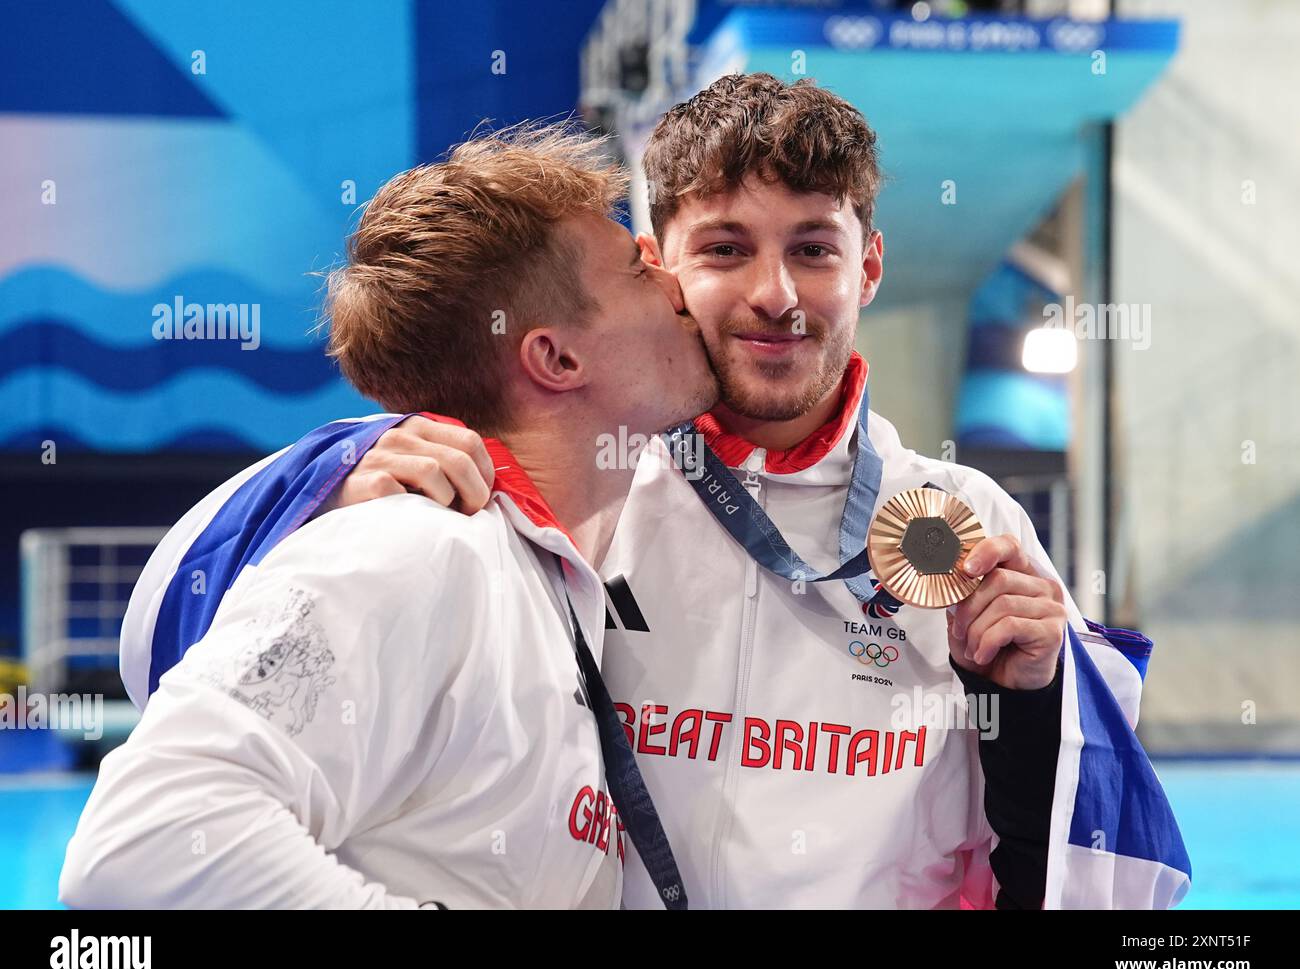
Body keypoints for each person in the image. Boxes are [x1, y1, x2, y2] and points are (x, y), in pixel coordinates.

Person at [119, 75, 1190, 909]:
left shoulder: (965, 528)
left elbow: (1088, 855)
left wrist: (1028, 698)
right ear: (663, 266)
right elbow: (183, 660)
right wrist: (324, 481)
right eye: (724, 250)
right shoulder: (514, 507)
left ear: (866, 269)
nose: (776, 296)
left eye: (813, 250)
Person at [59, 123, 718, 909]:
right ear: (555, 358)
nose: (671, 278)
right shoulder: (414, 548)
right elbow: (141, 844)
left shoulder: (539, 576)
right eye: (634, 270)